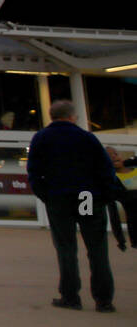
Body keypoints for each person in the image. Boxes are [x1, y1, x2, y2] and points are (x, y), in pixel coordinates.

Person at [27, 100, 125, 313]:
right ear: (72, 116)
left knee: (66, 248)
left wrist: (46, 195)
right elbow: (105, 169)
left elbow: (34, 171)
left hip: (58, 198)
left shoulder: (41, 138)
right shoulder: (87, 138)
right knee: (96, 247)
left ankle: (70, 296)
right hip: (86, 197)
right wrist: (105, 195)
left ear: (52, 116)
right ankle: (103, 299)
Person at [105, 146, 137, 249]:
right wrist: (120, 239)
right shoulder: (113, 181)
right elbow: (114, 214)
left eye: (115, 154)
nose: (113, 157)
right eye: (109, 156)